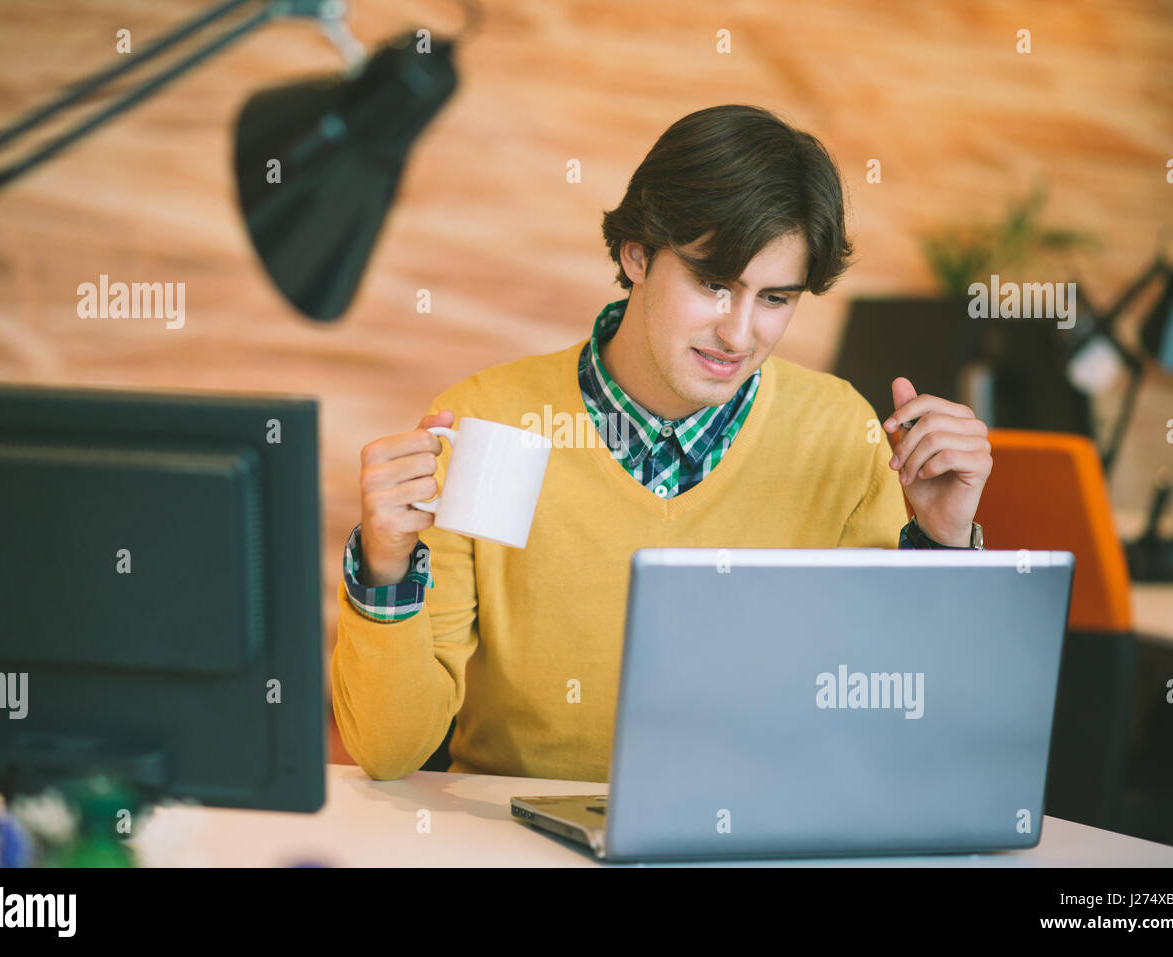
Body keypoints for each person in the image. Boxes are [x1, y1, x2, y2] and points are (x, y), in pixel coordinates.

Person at [332, 104, 992, 781]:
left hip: (755, 846)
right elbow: (389, 751)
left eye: (774, 299)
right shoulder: (492, 426)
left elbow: (906, 740)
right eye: (714, 284)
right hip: (519, 844)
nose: (739, 334)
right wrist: (384, 566)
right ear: (637, 253)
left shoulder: (841, 434)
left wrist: (941, 544)